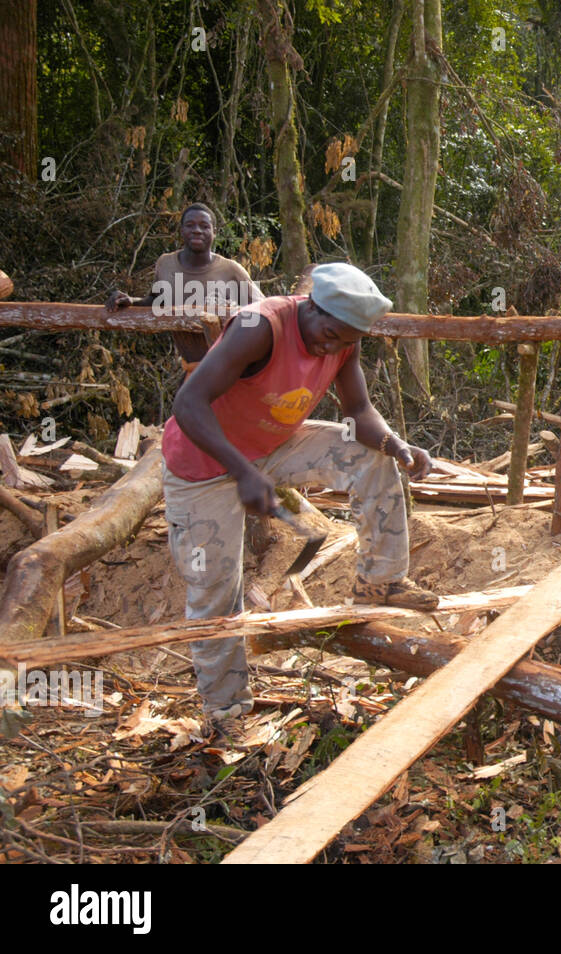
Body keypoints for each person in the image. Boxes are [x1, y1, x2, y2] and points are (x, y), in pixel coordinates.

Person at [161, 261, 440, 740]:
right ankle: (226, 716)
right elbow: (187, 404)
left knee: (372, 458)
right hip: (203, 464)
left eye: (345, 340)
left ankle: (381, 582)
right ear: (310, 305)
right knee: (214, 592)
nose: (331, 346)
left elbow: (358, 411)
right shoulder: (259, 327)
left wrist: (398, 445)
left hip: (271, 444)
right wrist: (243, 472)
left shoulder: (344, 340)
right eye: (328, 333)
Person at [106, 203, 263, 372]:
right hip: (191, 365)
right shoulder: (166, 264)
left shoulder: (231, 270)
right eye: (190, 225)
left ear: (214, 232)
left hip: (232, 366)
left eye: (204, 226)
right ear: (181, 230)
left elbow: (263, 310)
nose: (197, 230)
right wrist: (131, 301)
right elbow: (159, 302)